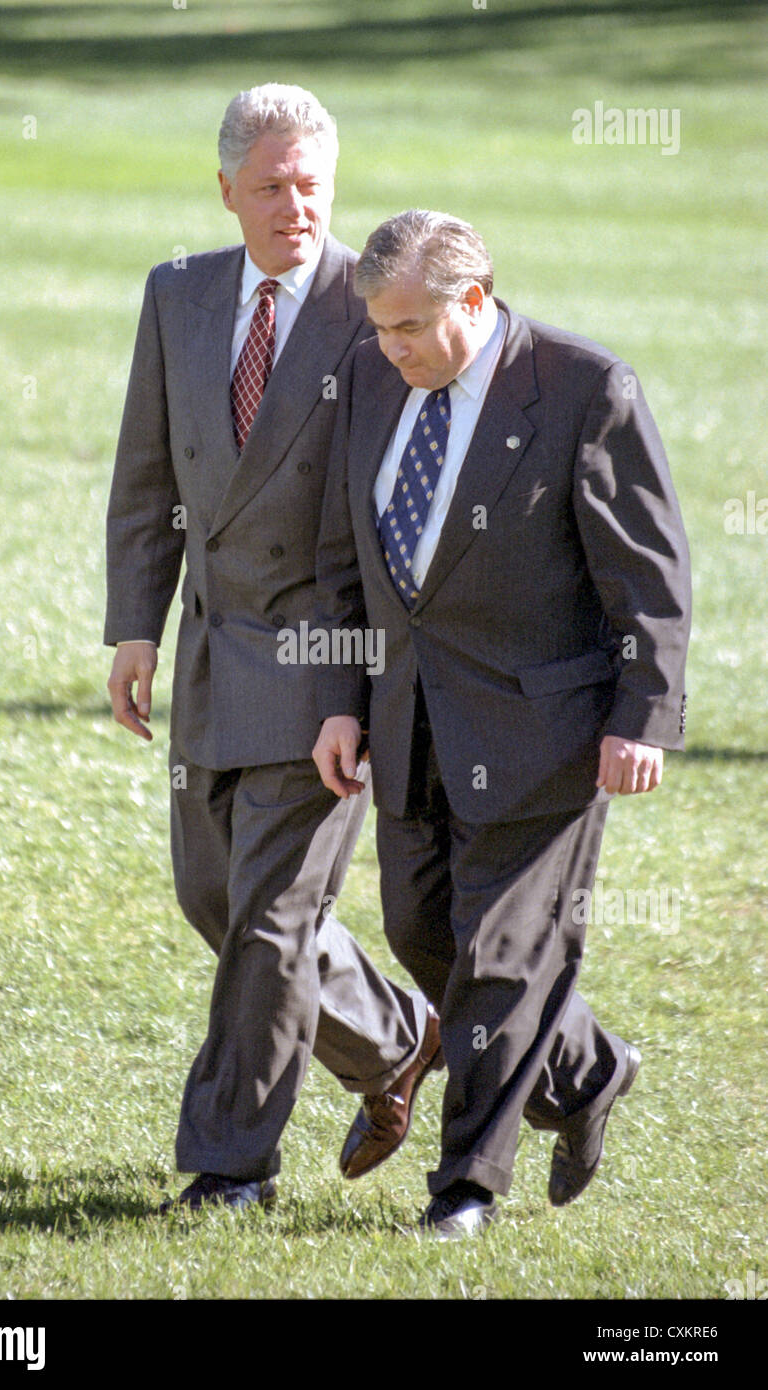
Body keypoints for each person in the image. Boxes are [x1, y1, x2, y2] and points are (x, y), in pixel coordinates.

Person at [313, 209, 691, 1239]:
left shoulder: (582, 389)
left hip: (544, 734)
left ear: (471, 300)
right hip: (408, 722)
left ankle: (465, 1187)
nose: (386, 348)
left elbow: (648, 577)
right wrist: (341, 702)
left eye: (405, 327)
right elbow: (346, 564)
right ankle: (583, 1070)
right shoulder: (371, 382)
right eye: (377, 327)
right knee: (420, 930)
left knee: (502, 961)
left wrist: (643, 716)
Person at [104, 90, 439, 1215]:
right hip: (209, 651)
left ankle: (228, 1164)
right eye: (271, 186)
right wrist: (135, 624)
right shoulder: (178, 294)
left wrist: (376, 683)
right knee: (216, 899)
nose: (296, 205)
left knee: (268, 921)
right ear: (227, 191)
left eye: (311, 183)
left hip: (327, 663)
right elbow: (146, 477)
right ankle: (394, 1037)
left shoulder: (374, 306)